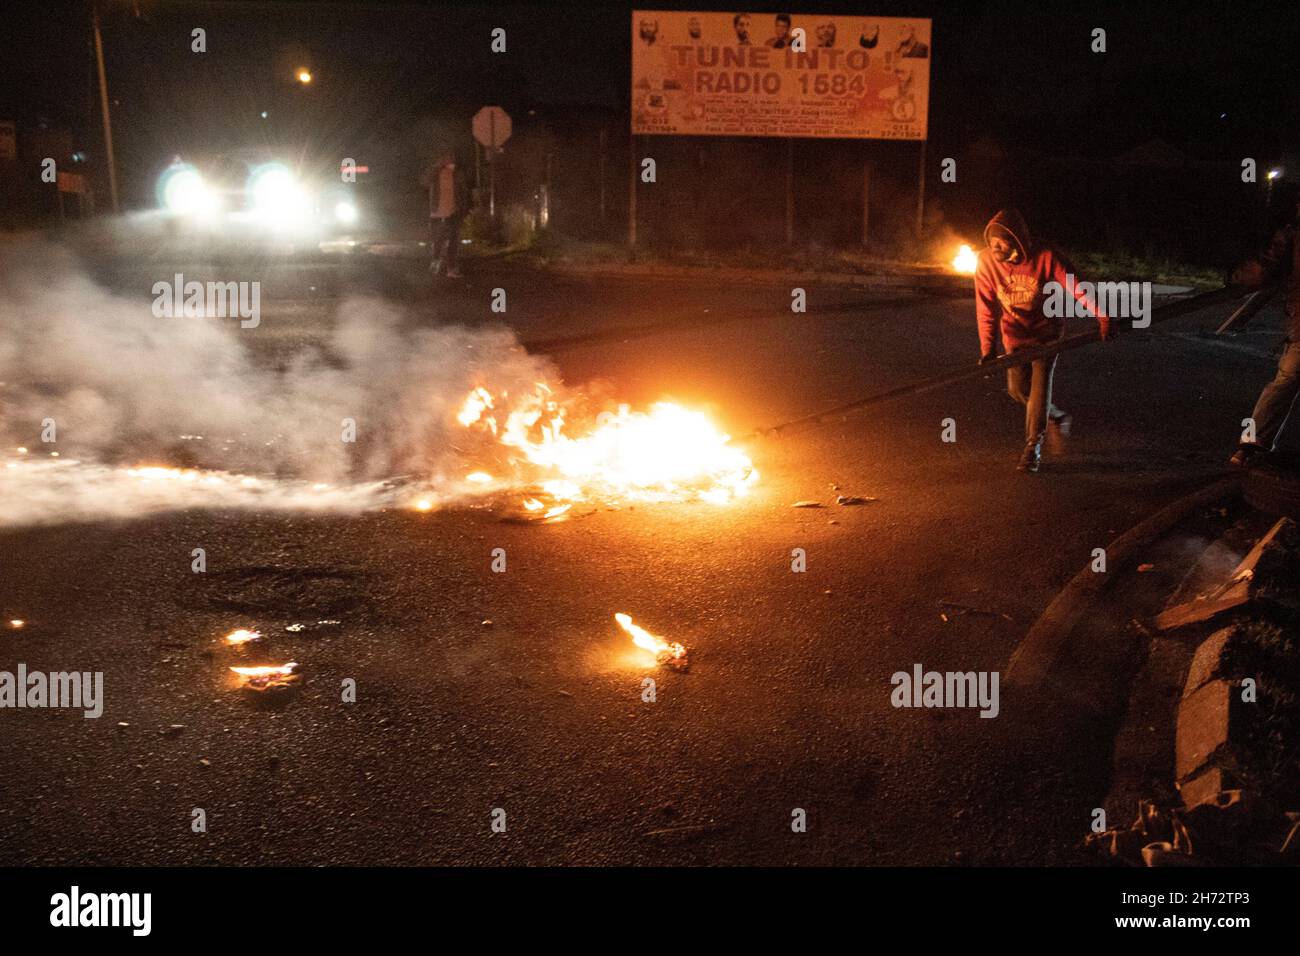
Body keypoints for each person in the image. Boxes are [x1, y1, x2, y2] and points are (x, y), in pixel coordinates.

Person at [975, 209, 1114, 472]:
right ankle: (1056, 416)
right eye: (991, 241)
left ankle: (1031, 449)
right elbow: (985, 307)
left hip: (1045, 335)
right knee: (1018, 391)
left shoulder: (1047, 257)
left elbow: (1077, 286)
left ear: (1017, 241)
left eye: (1002, 241)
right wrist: (988, 349)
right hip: (1014, 338)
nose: (995, 247)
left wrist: (1102, 316)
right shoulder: (985, 263)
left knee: (1038, 391)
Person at [1228, 196, 1300, 468]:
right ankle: (1251, 446)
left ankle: (1250, 446)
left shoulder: (1293, 235)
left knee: (1285, 383)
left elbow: (1261, 270)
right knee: (1285, 382)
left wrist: (1233, 278)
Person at [423, 150, 470, 279]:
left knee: (453, 243)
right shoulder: (435, 173)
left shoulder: (457, 174)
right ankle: (436, 261)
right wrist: (436, 166)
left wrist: (464, 209)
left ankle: (452, 269)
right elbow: (424, 181)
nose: (450, 160)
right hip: (437, 213)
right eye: (447, 158)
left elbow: (464, 192)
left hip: (454, 213)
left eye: (452, 158)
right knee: (437, 241)